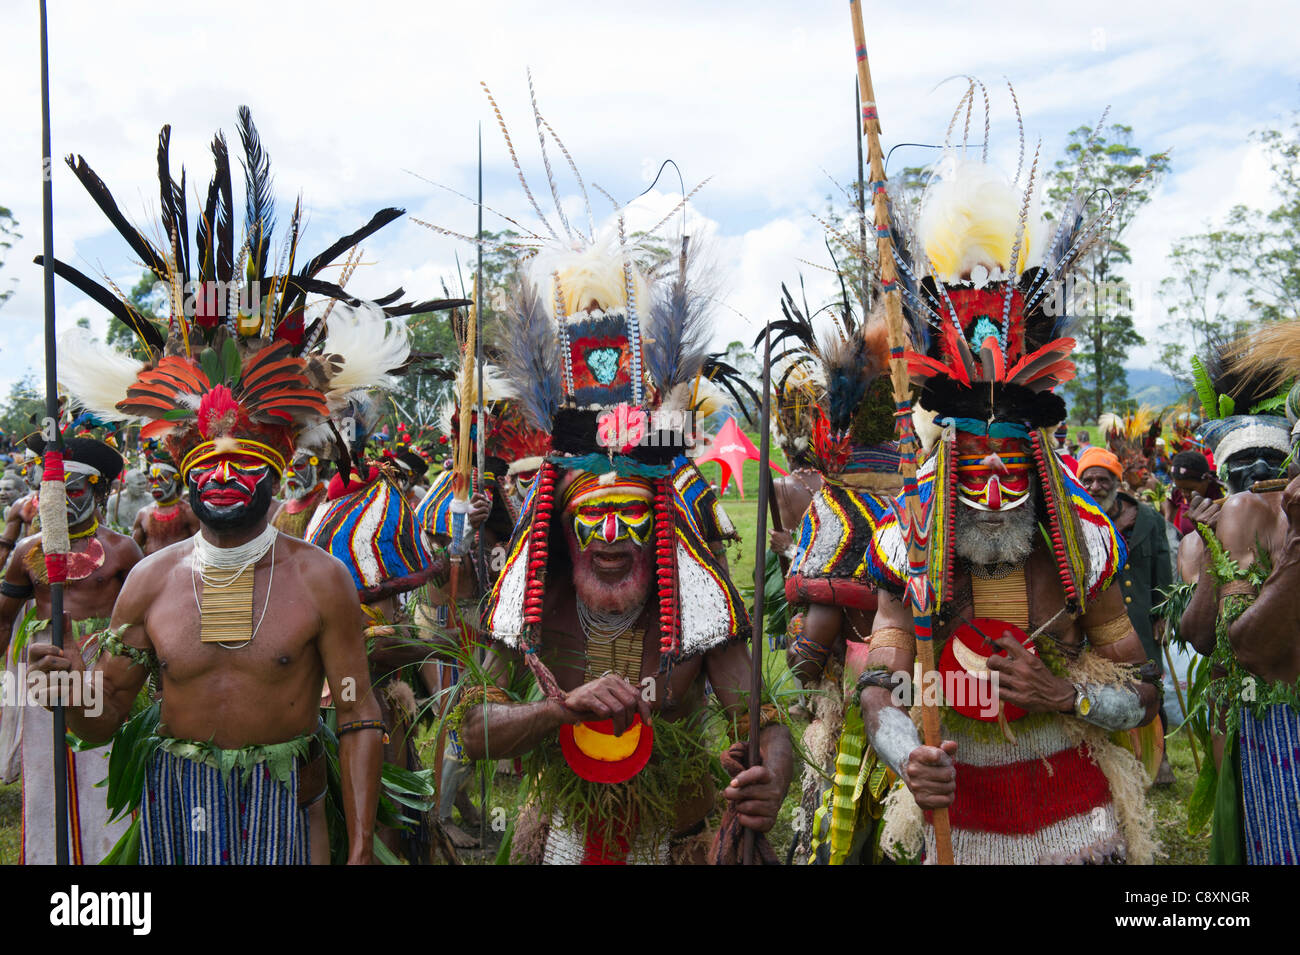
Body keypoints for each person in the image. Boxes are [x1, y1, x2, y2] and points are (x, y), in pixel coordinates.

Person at [25, 107, 440, 864]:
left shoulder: (321, 582)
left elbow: (355, 715)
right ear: (180, 479)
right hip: (177, 811)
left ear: (279, 475)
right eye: (204, 468)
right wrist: (69, 693)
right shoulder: (148, 584)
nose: (221, 479)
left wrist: (354, 852)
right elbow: (109, 715)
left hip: (288, 806)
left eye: (242, 465)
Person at [446, 143, 792, 862]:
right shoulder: (537, 600)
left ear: (659, 522)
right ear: (560, 528)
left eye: (629, 514)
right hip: (561, 842)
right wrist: (554, 708)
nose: (610, 534)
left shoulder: (700, 609)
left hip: (677, 837)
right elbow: (469, 728)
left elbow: (767, 727)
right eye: (590, 518)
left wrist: (771, 778)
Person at [859, 146, 1159, 865]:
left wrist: (1067, 695)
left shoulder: (1080, 542)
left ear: (1038, 455)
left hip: (1070, 802)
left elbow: (1143, 691)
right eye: (975, 465)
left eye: (1011, 464)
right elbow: (877, 687)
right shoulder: (910, 542)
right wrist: (908, 754)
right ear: (947, 456)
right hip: (958, 806)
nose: (994, 486)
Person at [1177, 330, 1300, 864]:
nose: (1255, 477)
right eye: (1241, 467)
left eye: (1268, 463)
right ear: (1221, 475)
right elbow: (1207, 640)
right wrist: (1209, 557)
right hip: (1253, 713)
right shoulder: (1206, 534)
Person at [0, 437, 142, 864]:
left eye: (72, 490)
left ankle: (106, 853)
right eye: (50, 490)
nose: (58, 500)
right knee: (48, 771)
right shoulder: (28, 551)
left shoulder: (122, 550)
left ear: (98, 492)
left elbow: (142, 619)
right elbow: (4, 618)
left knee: (103, 762)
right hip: (46, 669)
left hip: (106, 668)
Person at [1078, 446, 1175, 786]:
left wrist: (1163, 613)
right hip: (1097, 626)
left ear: (1117, 483)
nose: (1094, 486)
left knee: (1148, 688)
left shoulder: (1148, 519)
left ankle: (1158, 762)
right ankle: (1109, 765)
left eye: (1102, 480)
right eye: (1086, 479)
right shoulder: (1075, 520)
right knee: (1102, 692)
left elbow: (1163, 571)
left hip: (1142, 623)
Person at [131, 454, 199, 553]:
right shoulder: (143, 514)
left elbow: (200, 547)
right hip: (151, 567)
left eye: (161, 479)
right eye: (152, 480)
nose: (155, 484)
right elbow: (134, 549)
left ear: (176, 480)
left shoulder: (189, 512)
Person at [268, 449, 329, 539]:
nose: (290, 474)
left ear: (318, 467)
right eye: (288, 467)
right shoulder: (283, 508)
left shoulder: (325, 502)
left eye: (298, 466)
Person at [1165, 450, 1224, 538]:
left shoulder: (1220, 495)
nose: (1184, 494)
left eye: (1190, 489)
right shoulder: (1176, 492)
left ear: (1206, 480)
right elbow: (1169, 500)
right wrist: (1168, 518)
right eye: (1180, 489)